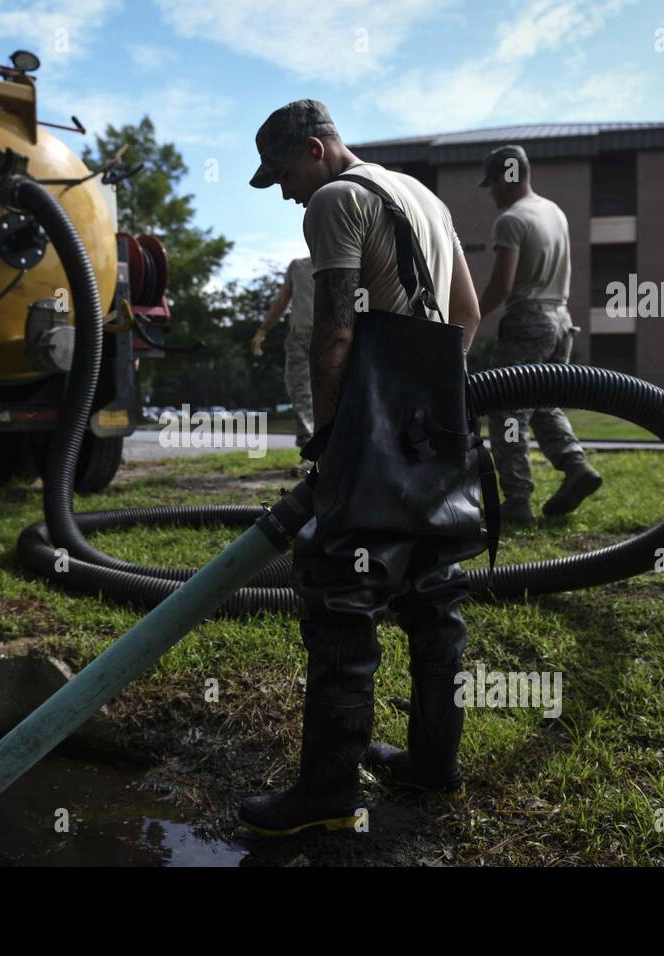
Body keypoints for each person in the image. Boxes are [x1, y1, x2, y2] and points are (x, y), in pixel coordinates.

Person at [240, 99, 484, 836]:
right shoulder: (423, 197)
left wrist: (329, 436)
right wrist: (429, 399)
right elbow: (467, 311)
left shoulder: (336, 200)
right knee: (431, 593)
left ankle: (328, 794)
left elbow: (334, 333)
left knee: (339, 589)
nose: (284, 191)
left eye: (283, 173)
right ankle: (434, 765)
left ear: (313, 149)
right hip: (432, 428)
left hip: (371, 426)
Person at [475, 144, 601, 525]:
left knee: (505, 408)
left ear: (505, 177)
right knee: (545, 403)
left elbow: (503, 283)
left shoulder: (512, 220)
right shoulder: (554, 212)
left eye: (492, 184)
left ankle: (517, 500)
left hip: (529, 320)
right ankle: (575, 465)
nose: (492, 194)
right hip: (561, 321)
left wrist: (471, 316)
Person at [253, 257, 317, 475]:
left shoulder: (347, 261)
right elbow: (283, 300)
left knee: (338, 395)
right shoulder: (298, 266)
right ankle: (311, 456)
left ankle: (337, 455)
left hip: (334, 337)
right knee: (301, 396)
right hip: (300, 339)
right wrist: (263, 330)